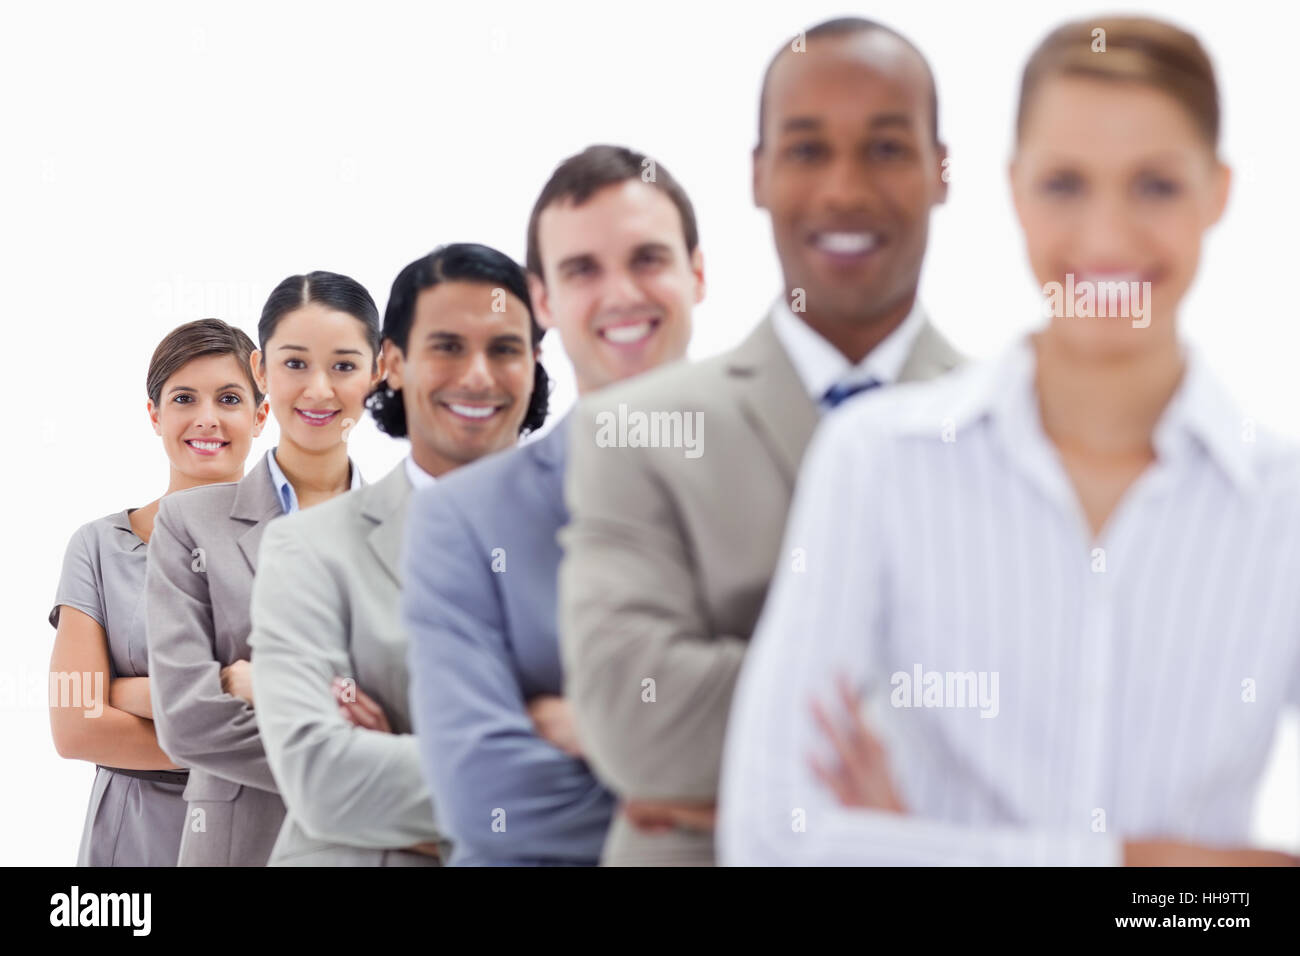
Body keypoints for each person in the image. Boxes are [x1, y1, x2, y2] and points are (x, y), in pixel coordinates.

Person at [719, 16, 1300, 867]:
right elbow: (770, 838)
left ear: (1217, 193)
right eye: (1066, 184)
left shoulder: (1282, 506)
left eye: (1156, 186)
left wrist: (922, 852)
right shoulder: (877, 461)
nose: (1106, 237)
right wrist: (1153, 870)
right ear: (1016, 191)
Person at [557, 18, 963, 866]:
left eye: (886, 149)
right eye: (809, 150)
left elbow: (1075, 722)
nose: (845, 188)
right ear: (761, 175)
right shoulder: (632, 431)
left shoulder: (1022, 425)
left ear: (940, 172)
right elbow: (637, 725)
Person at [404, 145, 702, 865]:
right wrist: (720, 792)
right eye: (583, 270)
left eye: (649, 260)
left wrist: (590, 732)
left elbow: (850, 752)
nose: (622, 294)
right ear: (543, 301)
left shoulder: (798, 472)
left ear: (698, 272)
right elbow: (489, 800)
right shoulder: (462, 521)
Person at [248, 243, 548, 865]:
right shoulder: (309, 547)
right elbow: (322, 780)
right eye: (447, 346)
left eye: (504, 348)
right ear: (393, 363)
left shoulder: (599, 538)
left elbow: (658, 764)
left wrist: (401, 767)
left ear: (535, 362)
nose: (476, 376)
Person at [145, 271, 379, 866]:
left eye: (345, 365)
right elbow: (187, 719)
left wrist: (260, 685)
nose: (319, 390)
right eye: (295, 364)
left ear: (379, 373)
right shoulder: (190, 522)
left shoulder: (424, 526)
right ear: (262, 372)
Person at [48, 319, 266, 866]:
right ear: (155, 414)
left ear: (261, 416)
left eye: (230, 398)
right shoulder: (98, 547)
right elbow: (75, 725)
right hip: (130, 844)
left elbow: (301, 725)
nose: (207, 418)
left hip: (257, 835)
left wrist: (124, 692)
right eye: (184, 398)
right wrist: (220, 703)